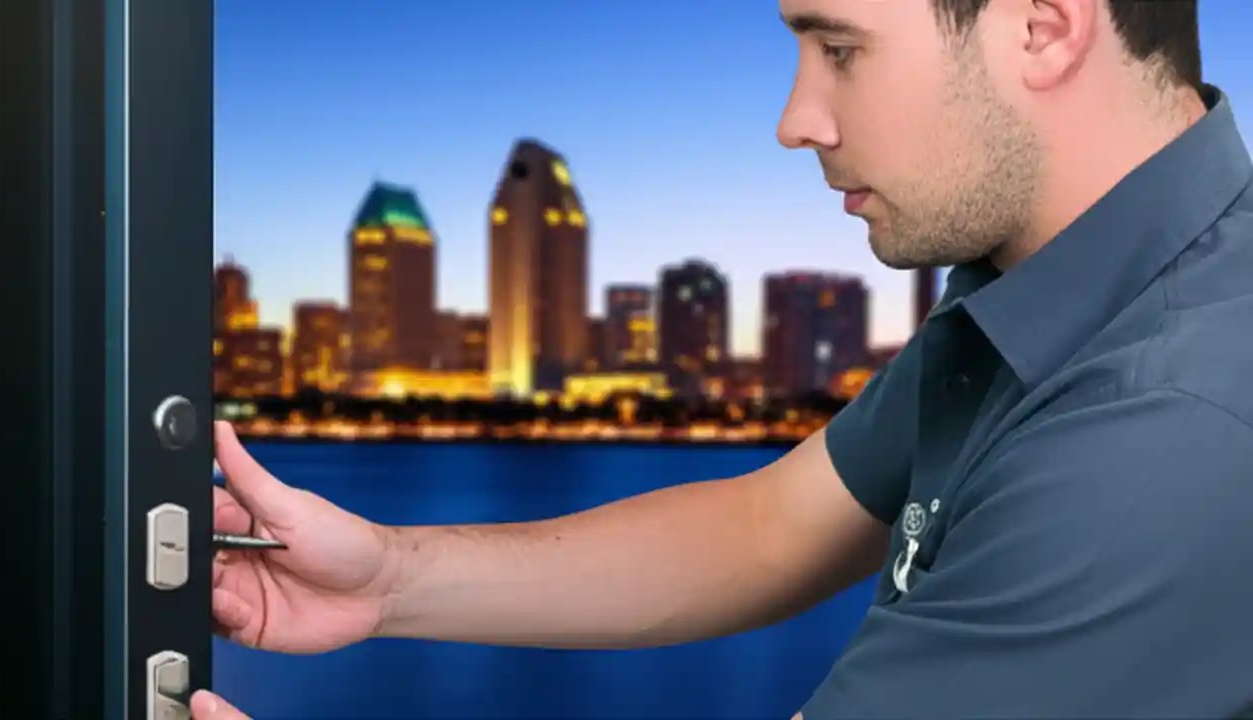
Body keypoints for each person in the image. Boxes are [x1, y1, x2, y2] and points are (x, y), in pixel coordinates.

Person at [193, 0, 1253, 716]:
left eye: (838, 48)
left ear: (1042, 26)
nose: (795, 119)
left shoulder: (1173, 423)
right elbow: (767, 529)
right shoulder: (1051, 279)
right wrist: (386, 578)